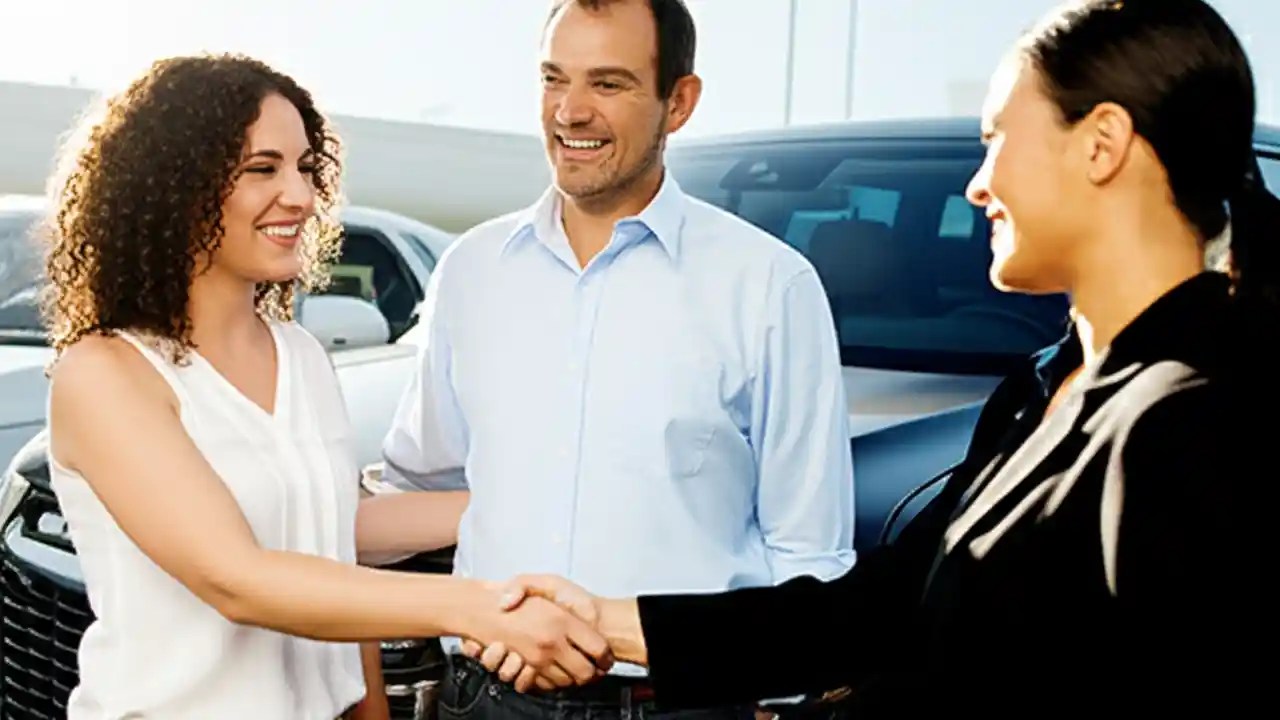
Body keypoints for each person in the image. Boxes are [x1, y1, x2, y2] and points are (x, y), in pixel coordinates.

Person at [469, 0, 1279, 714]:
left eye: (996, 141)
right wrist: (605, 618)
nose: (979, 184)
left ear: (1102, 144)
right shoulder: (1042, 389)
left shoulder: (1198, 420)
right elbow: (887, 610)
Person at [40, 53, 610, 720]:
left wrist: (553, 495)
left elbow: (333, 538)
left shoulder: (299, 354)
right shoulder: (105, 373)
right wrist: (485, 610)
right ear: (174, 185)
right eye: (263, 168)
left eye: (307, 168)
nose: (303, 196)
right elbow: (239, 579)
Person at [376, 0, 855, 713]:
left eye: (608, 84)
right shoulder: (472, 271)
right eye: (553, 78)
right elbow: (423, 486)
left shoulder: (769, 287)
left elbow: (808, 551)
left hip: (680, 702)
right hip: (487, 701)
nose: (570, 112)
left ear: (680, 102)